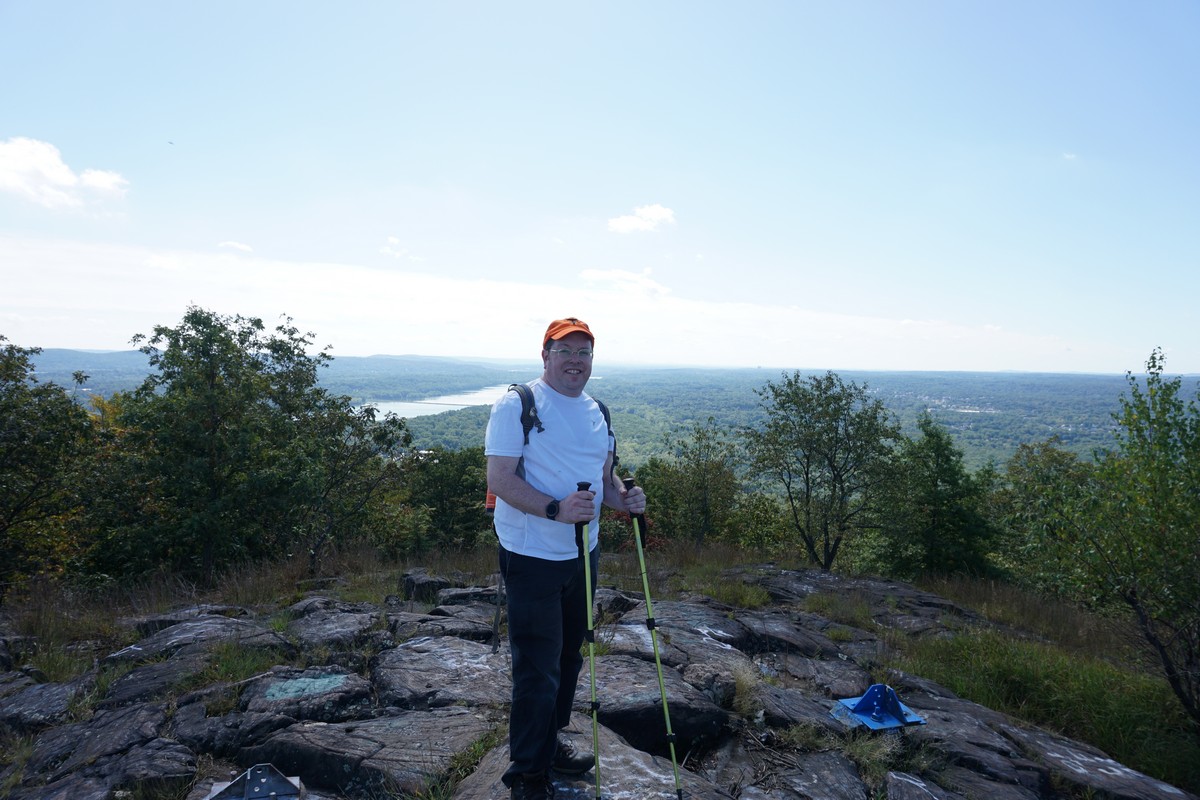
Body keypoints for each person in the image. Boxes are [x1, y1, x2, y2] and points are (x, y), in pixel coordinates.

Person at [485, 317, 647, 800]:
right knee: (538, 667)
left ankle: (549, 743)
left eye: (584, 353)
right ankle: (527, 777)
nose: (576, 361)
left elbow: (605, 477)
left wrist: (625, 499)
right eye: (566, 351)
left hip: (583, 553)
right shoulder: (518, 404)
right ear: (545, 356)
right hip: (532, 555)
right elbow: (499, 479)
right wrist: (554, 510)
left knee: (568, 657)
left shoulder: (598, 410)